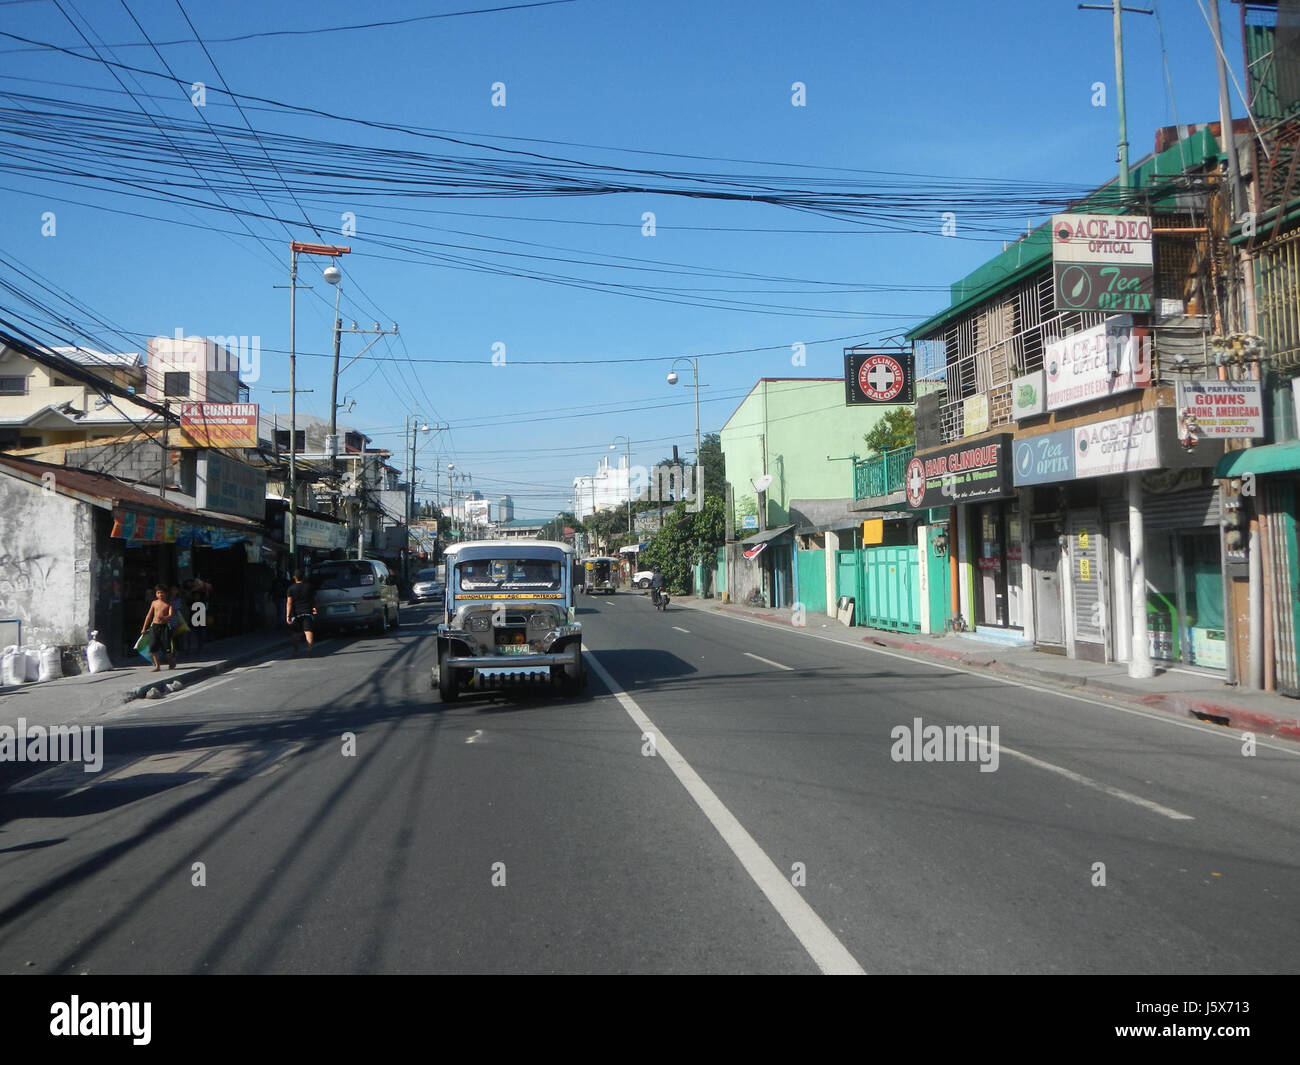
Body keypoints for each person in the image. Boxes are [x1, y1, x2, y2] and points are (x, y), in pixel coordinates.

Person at [140, 585, 175, 672]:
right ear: (156, 594)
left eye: (162, 592)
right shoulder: (154, 603)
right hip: (154, 626)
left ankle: (171, 662)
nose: (160, 594)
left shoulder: (169, 603)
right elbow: (149, 616)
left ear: (165, 593)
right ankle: (157, 665)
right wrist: (144, 628)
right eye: (158, 593)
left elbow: (170, 615)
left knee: (167, 646)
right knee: (153, 645)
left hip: (164, 627)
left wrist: (166, 617)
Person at [286, 570, 317, 657]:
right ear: (303, 577)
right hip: (307, 612)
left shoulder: (291, 589)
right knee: (308, 631)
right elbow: (314, 599)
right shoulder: (309, 587)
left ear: (294, 578)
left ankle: (296, 651)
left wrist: (287, 615)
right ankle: (309, 649)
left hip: (295, 614)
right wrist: (314, 607)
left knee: (296, 633)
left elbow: (289, 603)